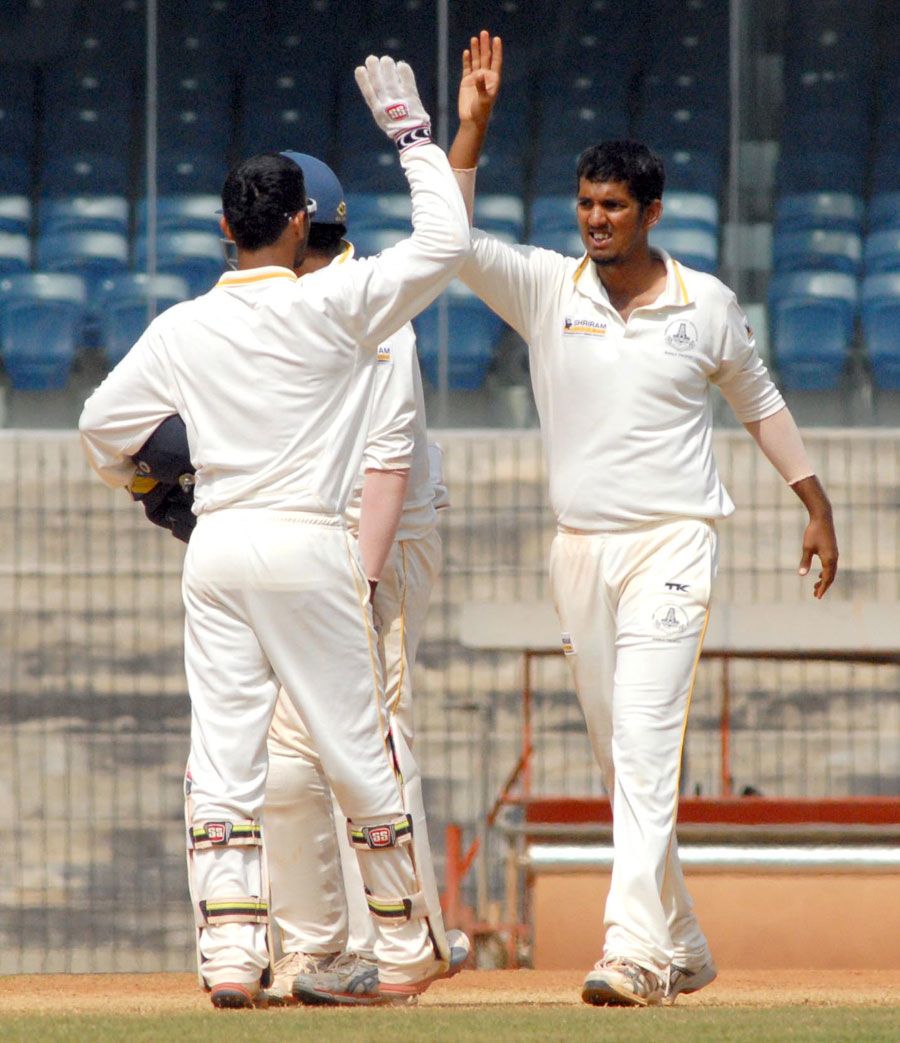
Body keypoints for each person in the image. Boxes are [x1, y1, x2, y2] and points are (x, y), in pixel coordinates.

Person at [448, 32, 838, 1007]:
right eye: (584, 204)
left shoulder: (703, 303)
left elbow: (760, 401)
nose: (594, 221)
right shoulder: (548, 288)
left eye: (613, 207)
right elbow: (450, 245)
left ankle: (630, 949)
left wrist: (815, 499)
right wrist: (471, 131)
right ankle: (686, 941)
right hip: (578, 549)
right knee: (622, 752)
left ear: (651, 212)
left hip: (673, 542)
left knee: (649, 739)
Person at [79, 55, 470, 1009]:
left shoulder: (181, 327)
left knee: (223, 754)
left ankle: (228, 954)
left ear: (223, 228)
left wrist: (154, 488)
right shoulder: (337, 302)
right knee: (355, 748)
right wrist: (414, 137)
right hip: (308, 546)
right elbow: (446, 244)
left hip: (217, 549)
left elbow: (101, 425)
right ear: (301, 224)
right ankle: (409, 943)